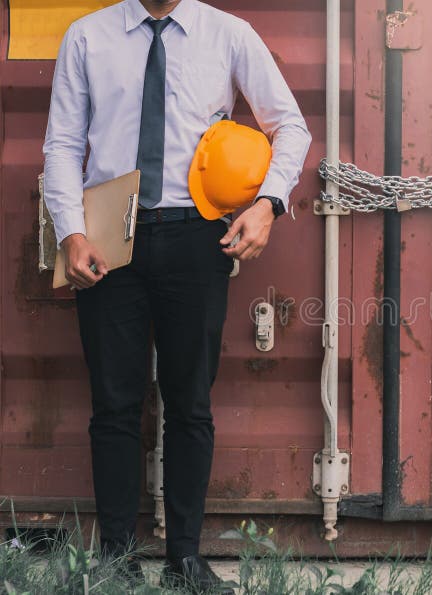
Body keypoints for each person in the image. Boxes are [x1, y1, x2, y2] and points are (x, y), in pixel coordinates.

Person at [42, 0, 311, 590]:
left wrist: (268, 204)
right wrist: (71, 232)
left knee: (190, 402)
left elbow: (291, 124)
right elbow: (62, 144)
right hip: (109, 233)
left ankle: (183, 559)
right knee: (113, 403)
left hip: (196, 237)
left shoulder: (229, 35)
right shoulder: (87, 38)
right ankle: (115, 557)